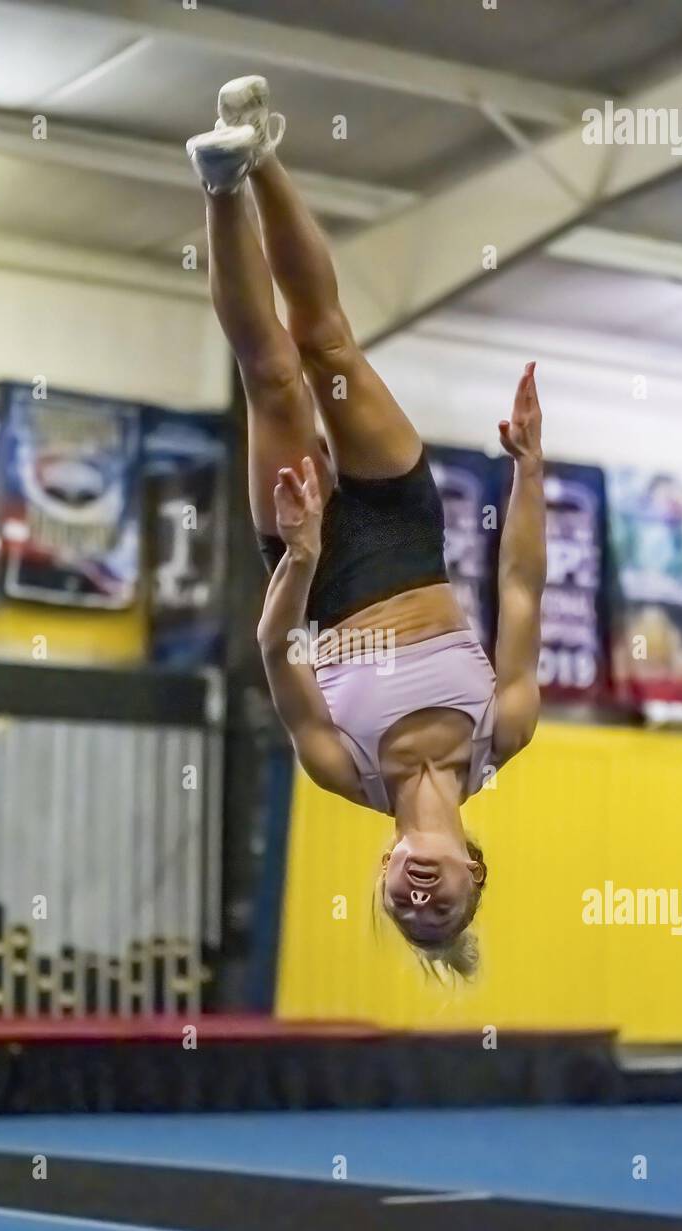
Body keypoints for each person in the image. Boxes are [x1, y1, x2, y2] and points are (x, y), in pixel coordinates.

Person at [188, 77, 546, 977]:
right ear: (476, 870)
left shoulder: (339, 770)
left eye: (406, 911)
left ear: (384, 870)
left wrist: (303, 555)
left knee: (269, 374)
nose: (421, 899)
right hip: (401, 527)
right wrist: (530, 471)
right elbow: (519, 587)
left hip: (311, 567)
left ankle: (221, 182)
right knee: (328, 345)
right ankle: (260, 151)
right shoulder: (502, 731)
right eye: (444, 909)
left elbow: (275, 650)